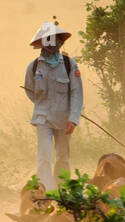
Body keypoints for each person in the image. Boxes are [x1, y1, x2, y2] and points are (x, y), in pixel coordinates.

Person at [23, 21, 84, 194]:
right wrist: (43, 105)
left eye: (54, 39)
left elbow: (77, 92)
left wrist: (73, 118)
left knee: (63, 157)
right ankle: (46, 193)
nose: (52, 43)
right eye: (47, 39)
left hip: (65, 120)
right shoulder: (33, 66)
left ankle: (61, 191)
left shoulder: (69, 64)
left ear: (59, 41)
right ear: (42, 42)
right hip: (42, 118)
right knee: (44, 156)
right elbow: (30, 91)